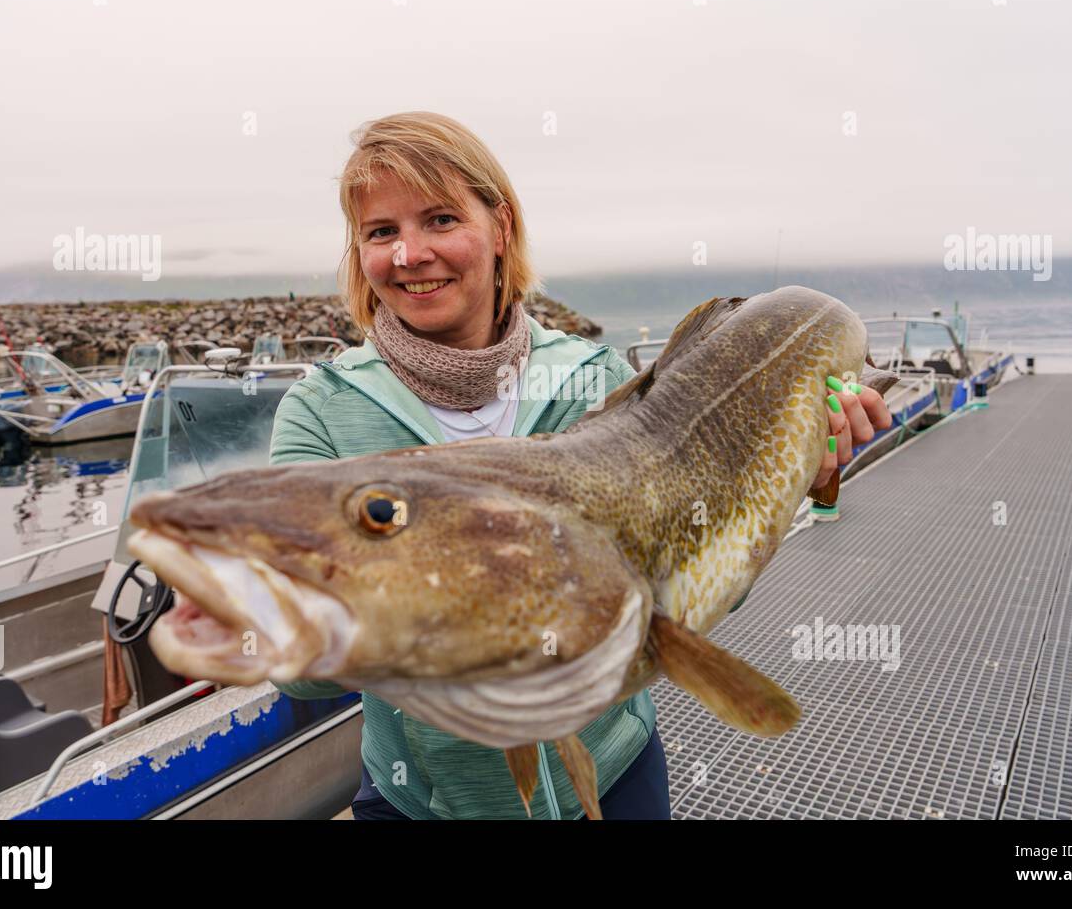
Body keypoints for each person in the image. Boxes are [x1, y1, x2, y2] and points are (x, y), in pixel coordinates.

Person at [267, 111, 890, 820]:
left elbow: (687, 589)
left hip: (615, 779)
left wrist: (792, 476)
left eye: (440, 220)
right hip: (424, 804)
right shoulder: (319, 413)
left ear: (499, 228)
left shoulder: (594, 380)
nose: (409, 255)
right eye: (381, 232)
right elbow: (300, 681)